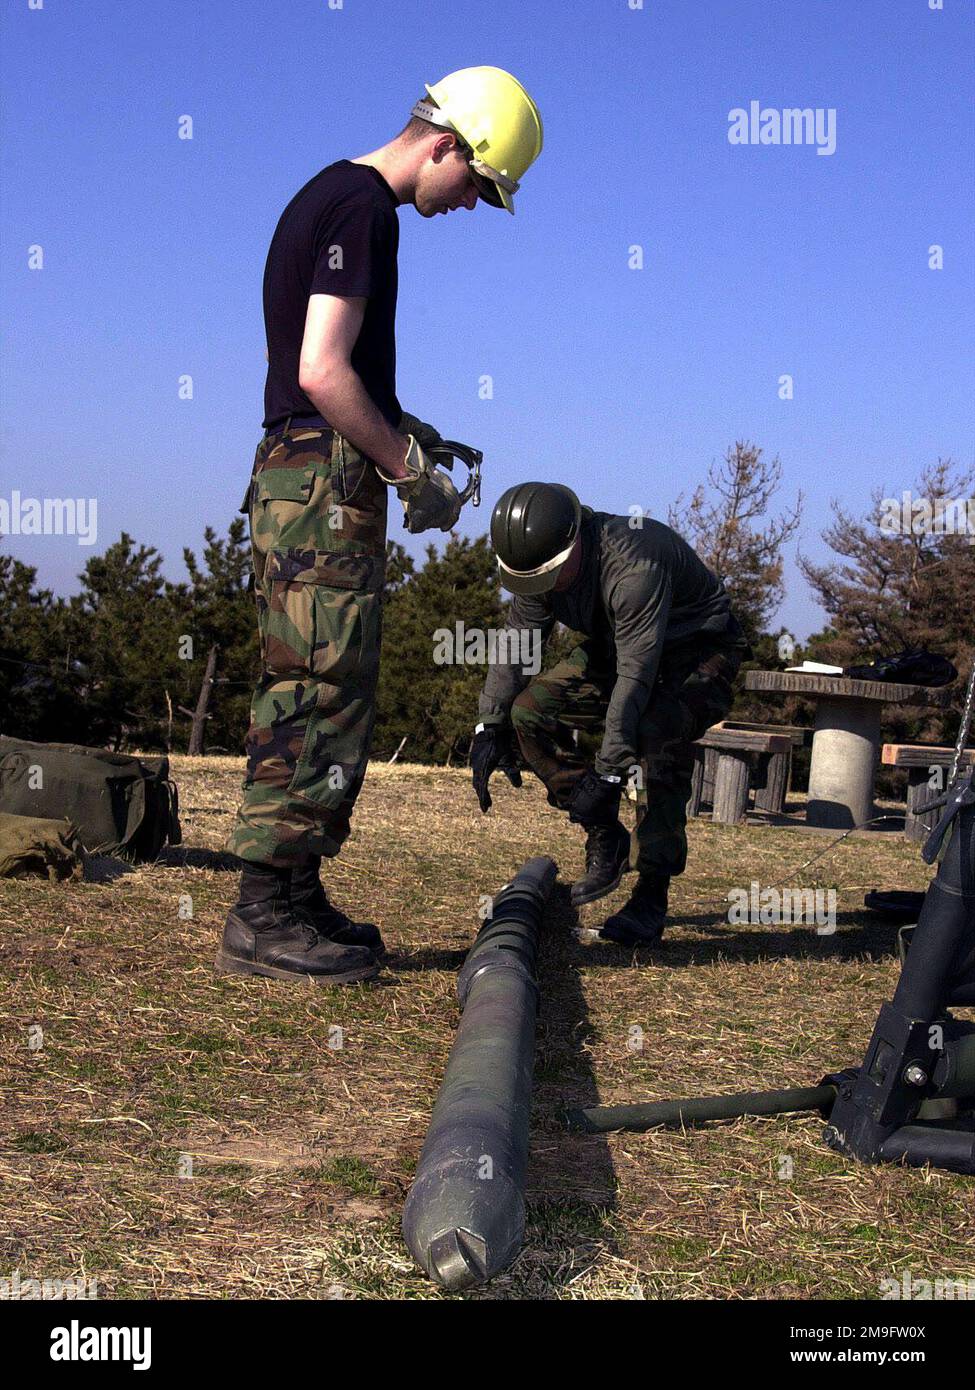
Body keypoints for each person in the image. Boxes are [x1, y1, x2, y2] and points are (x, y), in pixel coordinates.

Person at [219, 69, 544, 985]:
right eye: (479, 186)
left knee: (328, 677)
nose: (471, 207)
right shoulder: (367, 210)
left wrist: (408, 430)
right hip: (321, 481)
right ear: (445, 147)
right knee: (317, 685)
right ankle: (261, 915)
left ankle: (295, 890)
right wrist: (409, 473)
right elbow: (323, 373)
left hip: (305, 473)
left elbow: (325, 367)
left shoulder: (329, 191)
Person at [471, 482, 750, 945]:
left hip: (698, 651)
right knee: (529, 713)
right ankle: (605, 833)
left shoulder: (635, 564)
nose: (539, 588)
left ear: (575, 540)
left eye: (547, 576)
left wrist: (609, 773)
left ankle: (651, 891)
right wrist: (489, 723)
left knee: (654, 729)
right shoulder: (536, 563)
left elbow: (635, 678)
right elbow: (519, 640)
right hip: (618, 647)